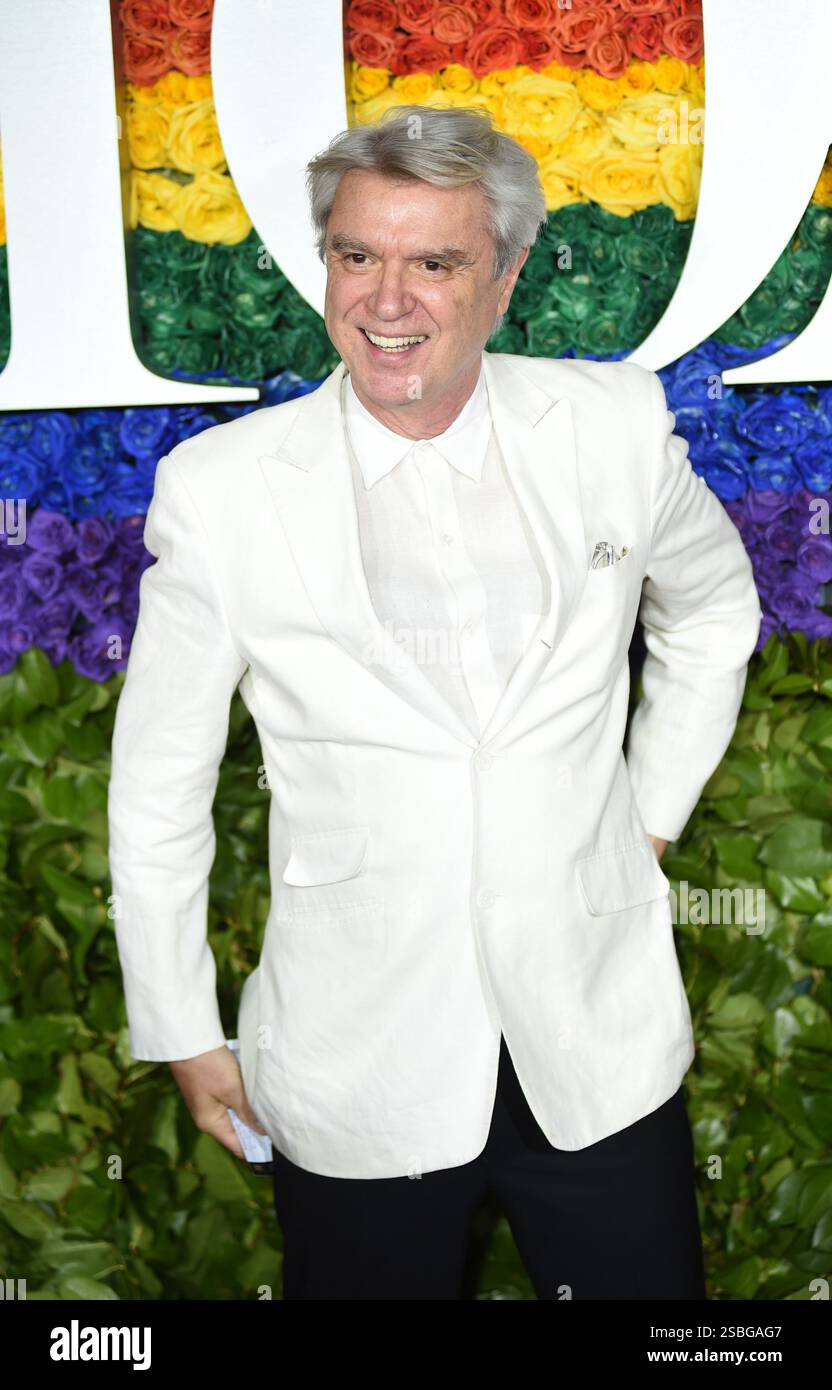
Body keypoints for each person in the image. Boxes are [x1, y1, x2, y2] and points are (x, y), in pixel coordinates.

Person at [107, 104, 762, 1300]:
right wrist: (186, 1029)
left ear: (505, 280)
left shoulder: (610, 427)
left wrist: (646, 813)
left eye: (435, 262)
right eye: (357, 255)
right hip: (357, 1058)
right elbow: (158, 786)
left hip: (597, 1042)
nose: (385, 299)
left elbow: (714, 612)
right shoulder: (221, 493)